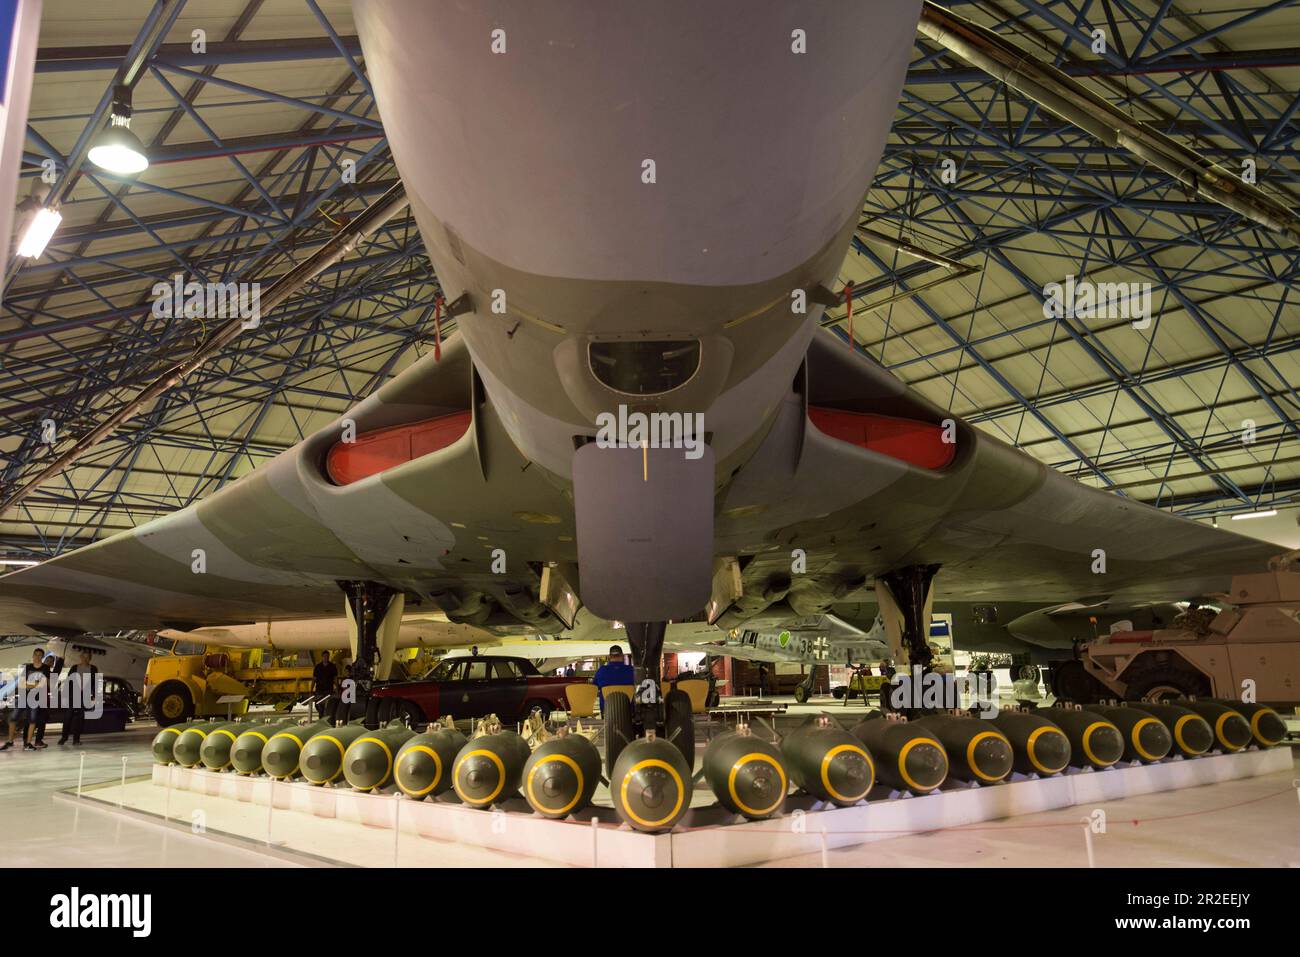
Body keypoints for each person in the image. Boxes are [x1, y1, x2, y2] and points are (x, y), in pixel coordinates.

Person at [2, 649, 50, 751]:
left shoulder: (45, 668)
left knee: (32, 720)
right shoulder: (27, 667)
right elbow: (22, 684)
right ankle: (10, 741)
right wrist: (34, 684)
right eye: (35, 655)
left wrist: (29, 684)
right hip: (23, 696)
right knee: (13, 718)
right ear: (32, 656)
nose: (37, 657)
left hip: (35, 699)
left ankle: (28, 743)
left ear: (42, 657)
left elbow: (43, 684)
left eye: (39, 655)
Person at [58, 651, 99, 746]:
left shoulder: (93, 668)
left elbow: (95, 683)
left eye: (87, 657)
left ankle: (76, 739)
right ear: (80, 657)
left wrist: (95, 695)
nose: (85, 659)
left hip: (85, 695)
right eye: (83, 657)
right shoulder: (74, 668)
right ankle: (64, 737)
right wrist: (65, 695)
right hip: (73, 695)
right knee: (68, 716)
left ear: (90, 658)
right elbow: (68, 681)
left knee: (79, 718)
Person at [591, 645, 634, 712]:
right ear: (622, 656)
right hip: (628, 711)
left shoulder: (602, 671)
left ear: (609, 657)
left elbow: (594, 687)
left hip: (607, 711)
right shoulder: (631, 670)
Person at [312, 651, 339, 720]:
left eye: (327, 656)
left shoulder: (332, 666)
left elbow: (335, 678)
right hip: (319, 690)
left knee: (327, 706)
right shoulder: (318, 667)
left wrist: (337, 688)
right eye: (324, 656)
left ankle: (325, 719)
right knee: (318, 705)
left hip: (328, 690)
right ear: (322, 657)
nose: (326, 658)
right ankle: (321, 717)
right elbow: (314, 679)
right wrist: (311, 689)